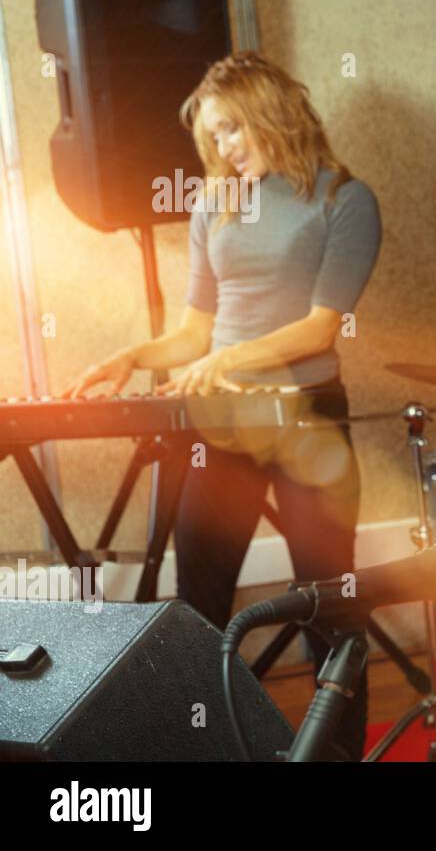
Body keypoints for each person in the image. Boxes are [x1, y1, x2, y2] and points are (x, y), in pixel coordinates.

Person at [66, 51, 382, 760]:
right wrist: (133, 357)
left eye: (234, 129)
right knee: (200, 603)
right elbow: (195, 332)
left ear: (276, 113)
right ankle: (211, 747)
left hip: (307, 419)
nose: (224, 147)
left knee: (328, 602)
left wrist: (225, 361)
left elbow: (321, 327)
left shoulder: (345, 200)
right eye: (214, 137)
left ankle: (337, 756)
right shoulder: (214, 202)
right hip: (221, 424)